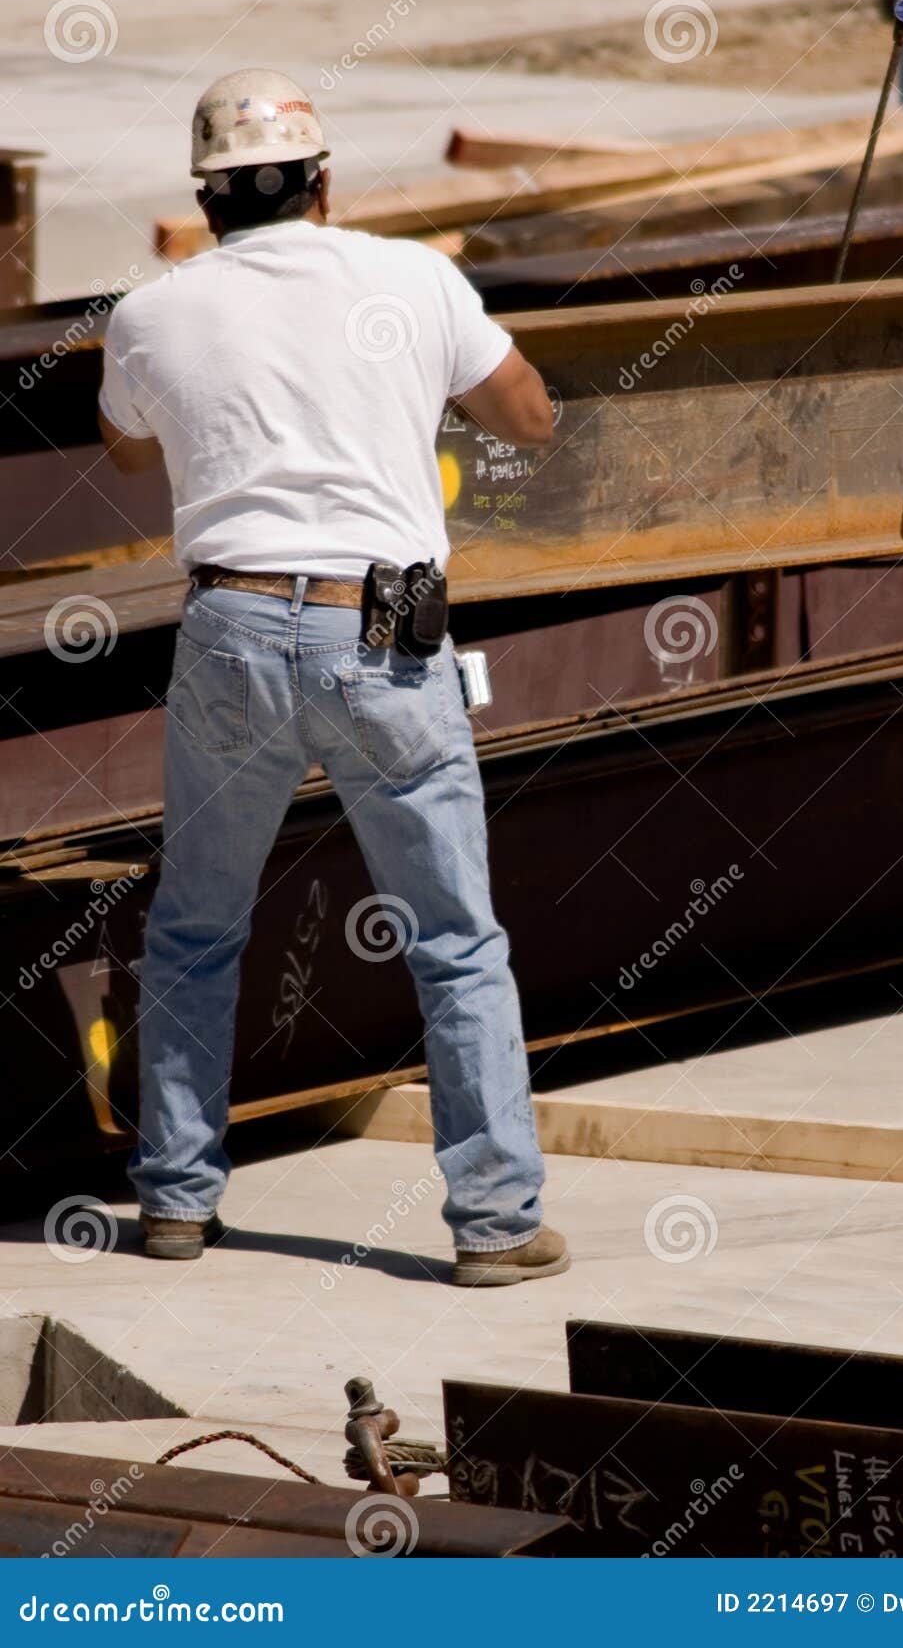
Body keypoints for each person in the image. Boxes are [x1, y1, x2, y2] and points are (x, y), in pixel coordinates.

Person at [97, 68, 567, 1287]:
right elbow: (529, 418)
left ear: (204, 200)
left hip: (231, 632)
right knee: (454, 941)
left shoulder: (150, 313)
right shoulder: (409, 276)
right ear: (322, 182)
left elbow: (125, 439)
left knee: (196, 928)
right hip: (383, 637)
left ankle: (176, 1203)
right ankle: (495, 1225)